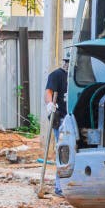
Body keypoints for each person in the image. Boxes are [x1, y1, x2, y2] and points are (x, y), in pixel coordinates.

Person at [44, 52, 69, 196]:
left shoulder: (79, 75)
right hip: (61, 119)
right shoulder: (57, 75)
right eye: (67, 62)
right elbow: (49, 92)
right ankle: (59, 187)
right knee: (62, 152)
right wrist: (49, 104)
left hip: (73, 117)